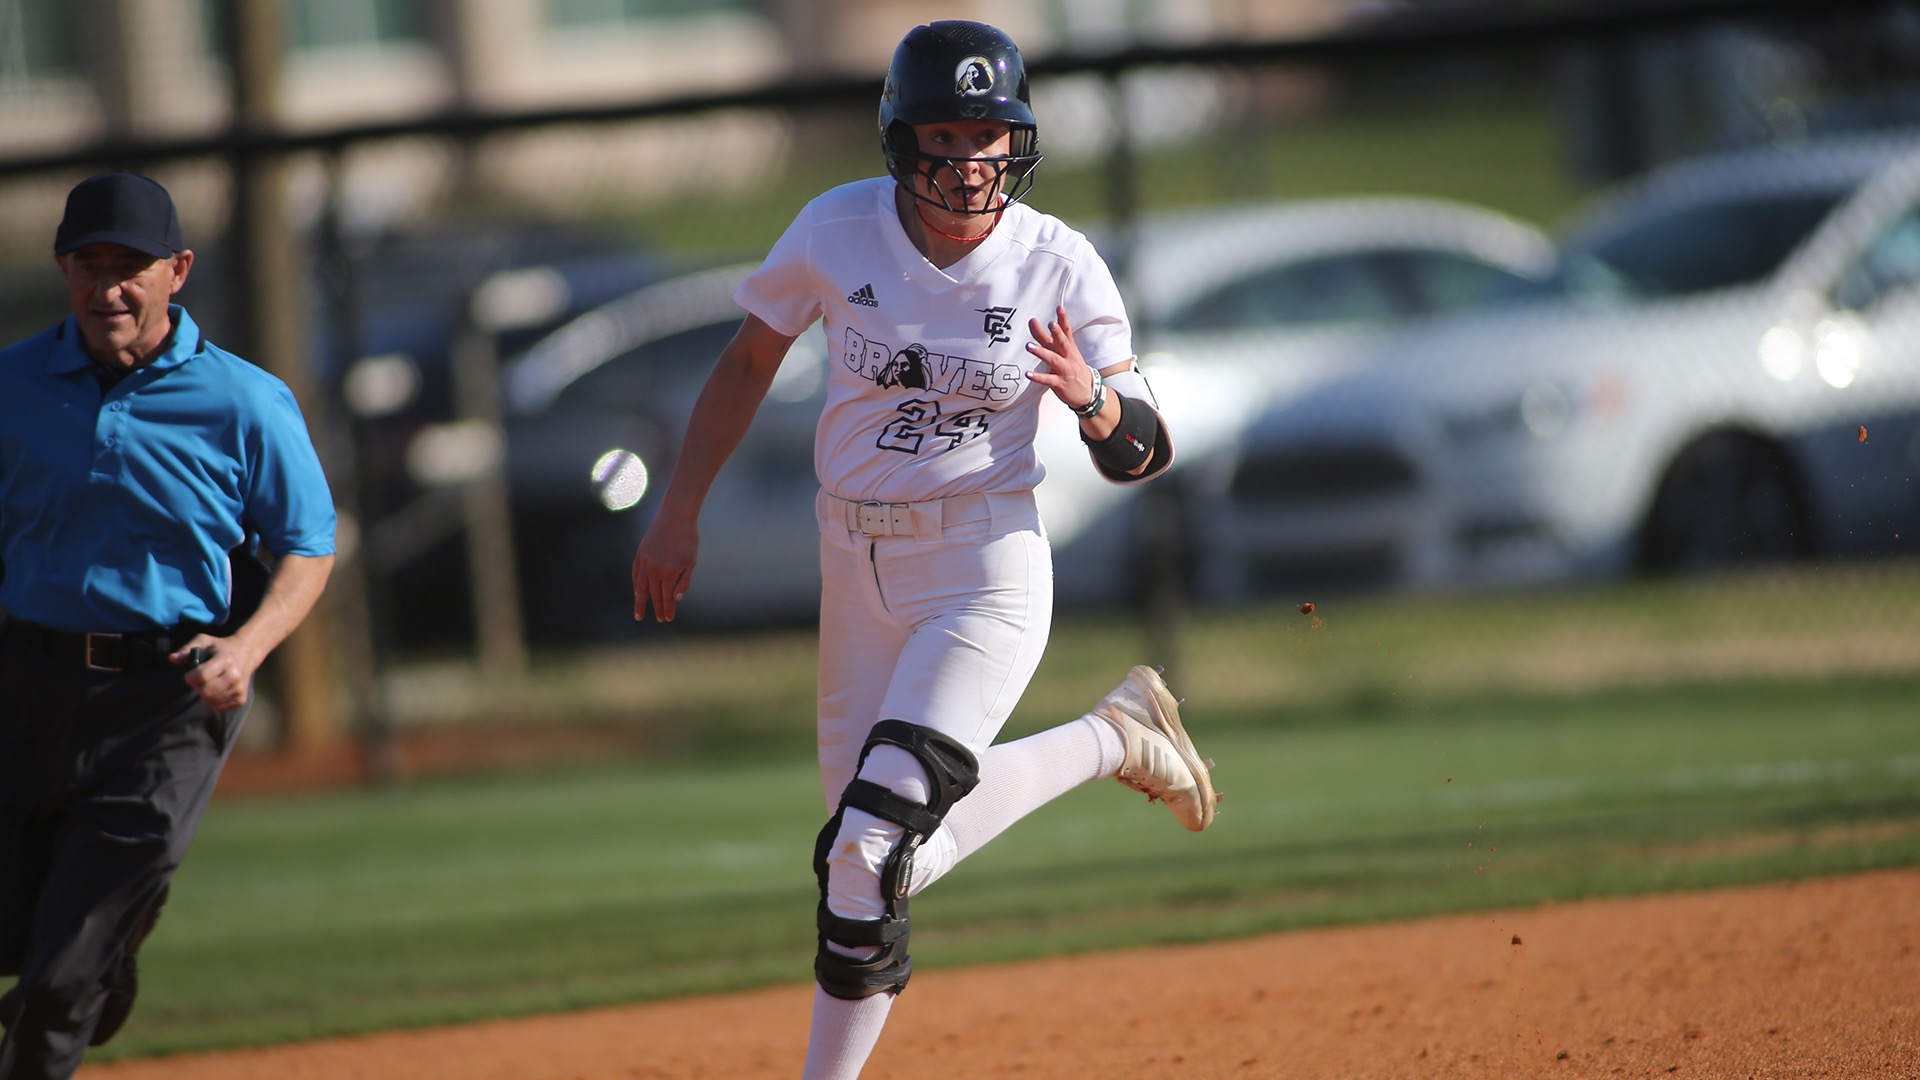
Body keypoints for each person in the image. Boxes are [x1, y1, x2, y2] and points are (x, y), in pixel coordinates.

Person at [631, 20, 1219, 1079]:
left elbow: (1145, 448)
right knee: (865, 872)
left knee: (868, 844)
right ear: (902, 141)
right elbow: (747, 360)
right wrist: (679, 509)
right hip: (852, 566)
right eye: (945, 133)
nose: (969, 158)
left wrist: (1089, 400)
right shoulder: (837, 227)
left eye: (989, 133)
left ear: (1019, 143)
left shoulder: (1057, 263)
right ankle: (1112, 738)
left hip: (982, 568)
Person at [0, 171, 337, 1080]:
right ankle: (102, 962)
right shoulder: (12, 385)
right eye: (88, 263)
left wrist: (248, 647)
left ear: (177, 271)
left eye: (131, 267)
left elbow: (308, 547)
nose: (108, 286)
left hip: (169, 697)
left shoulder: (243, 401)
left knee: (56, 984)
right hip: (27, 683)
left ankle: (84, 975)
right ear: (63, 268)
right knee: (22, 936)